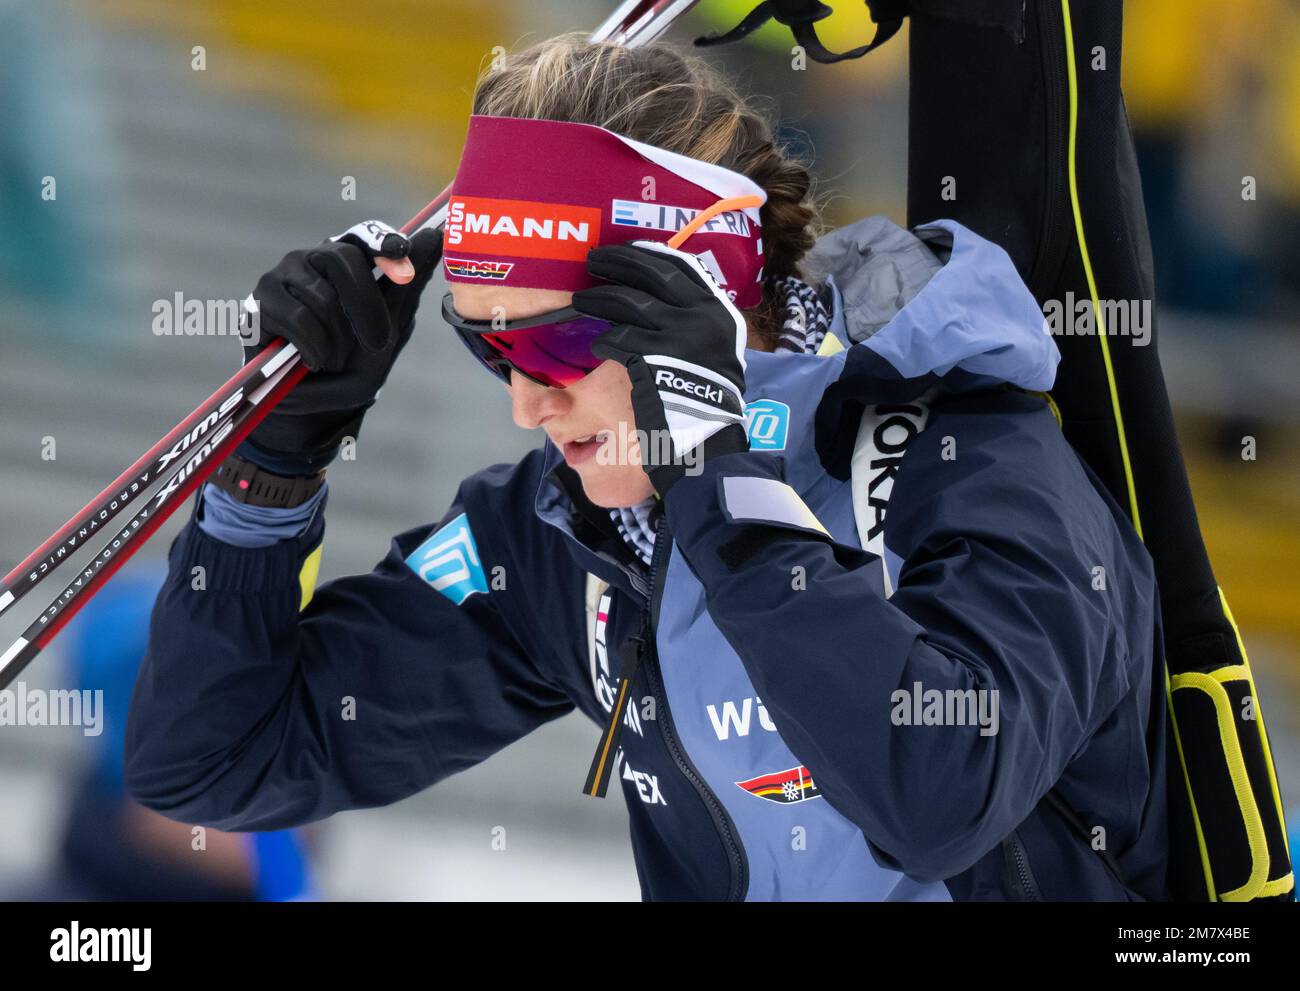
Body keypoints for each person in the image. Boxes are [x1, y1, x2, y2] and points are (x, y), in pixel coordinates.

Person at [125, 34, 1168, 901]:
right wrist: (275, 464)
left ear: (703, 304)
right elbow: (214, 763)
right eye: (488, 347)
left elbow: (937, 795)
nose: (525, 402)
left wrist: (716, 477)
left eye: (557, 346)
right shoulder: (564, 538)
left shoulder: (975, 460)